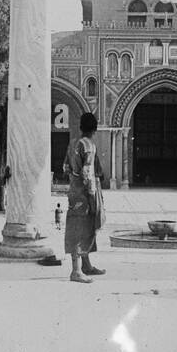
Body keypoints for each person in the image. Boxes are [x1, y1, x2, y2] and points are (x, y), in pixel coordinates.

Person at [63, 112, 107, 284]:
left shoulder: (73, 142)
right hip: (85, 192)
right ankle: (76, 270)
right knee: (81, 228)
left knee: (82, 226)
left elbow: (65, 167)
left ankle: (86, 265)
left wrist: (75, 182)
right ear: (94, 129)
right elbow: (87, 172)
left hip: (74, 190)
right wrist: (91, 194)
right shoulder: (88, 145)